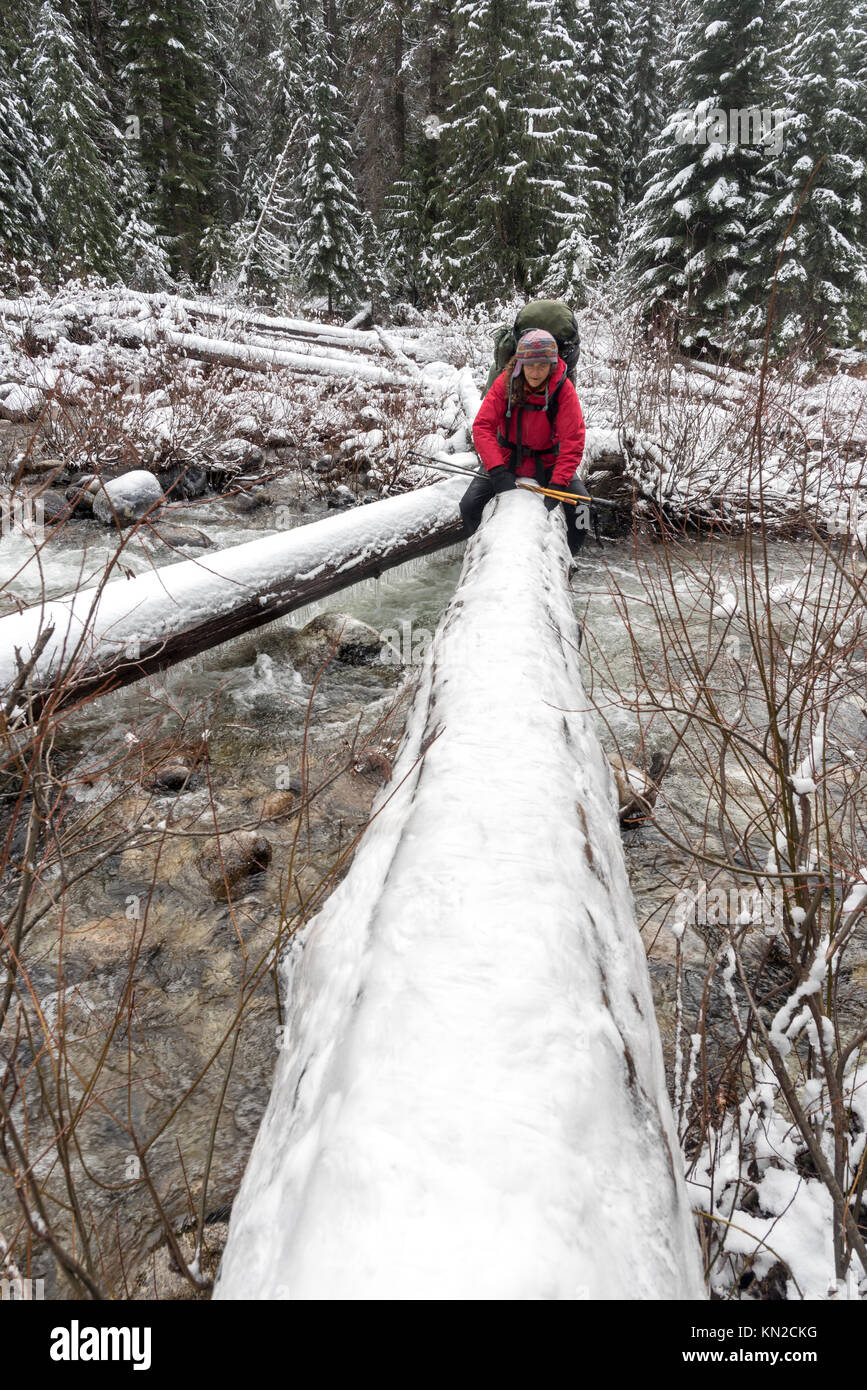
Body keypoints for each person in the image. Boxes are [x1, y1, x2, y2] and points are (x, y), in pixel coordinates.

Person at [460, 328, 588, 555]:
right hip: (507, 459)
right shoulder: (505, 383)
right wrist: (497, 471)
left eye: (542, 366)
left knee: (584, 509)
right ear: (520, 365)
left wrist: (558, 485)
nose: (536, 373)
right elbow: (483, 426)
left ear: (552, 365)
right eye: (530, 366)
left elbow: (573, 439)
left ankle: (570, 556)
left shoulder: (563, 389)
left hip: (549, 461)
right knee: (468, 505)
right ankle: (477, 552)